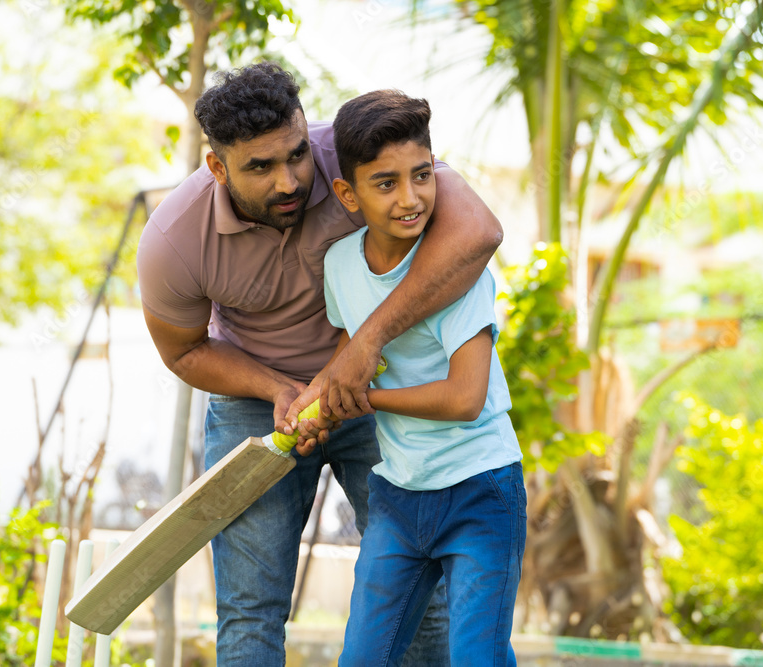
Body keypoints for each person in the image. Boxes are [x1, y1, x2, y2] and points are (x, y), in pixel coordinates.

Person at [137, 62, 503, 665]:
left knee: (421, 590)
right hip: (257, 406)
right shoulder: (174, 241)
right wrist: (283, 390)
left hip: (376, 392)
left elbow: (478, 231)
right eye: (260, 167)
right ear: (218, 167)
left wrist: (364, 347)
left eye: (296, 154)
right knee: (251, 607)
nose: (290, 180)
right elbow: (185, 350)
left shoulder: (357, 155)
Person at [320, 89, 527, 667]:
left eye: (422, 175)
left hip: (481, 491)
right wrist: (319, 398)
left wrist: (365, 399)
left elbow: (466, 398)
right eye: (386, 183)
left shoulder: (458, 273)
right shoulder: (340, 264)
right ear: (348, 194)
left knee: (477, 659)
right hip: (398, 496)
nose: (410, 199)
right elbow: (348, 349)